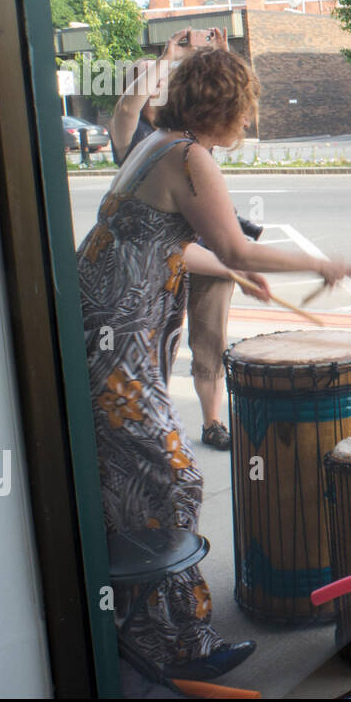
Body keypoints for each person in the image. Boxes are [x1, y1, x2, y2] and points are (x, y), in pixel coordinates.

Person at [79, 45, 351, 683]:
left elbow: (161, 241)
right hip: (116, 345)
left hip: (106, 333)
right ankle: (177, 643)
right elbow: (231, 243)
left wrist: (230, 270)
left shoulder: (155, 146)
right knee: (174, 480)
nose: (248, 121)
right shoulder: (189, 156)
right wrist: (317, 263)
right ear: (225, 105)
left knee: (129, 485)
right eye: (246, 108)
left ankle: (147, 628)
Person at [109, 27, 241, 450]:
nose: (162, 88)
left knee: (210, 339)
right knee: (153, 342)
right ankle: (150, 423)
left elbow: (229, 112)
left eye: (167, 81)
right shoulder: (138, 141)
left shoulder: (189, 133)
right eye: (155, 83)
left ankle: (212, 421)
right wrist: (165, 58)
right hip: (160, 263)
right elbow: (127, 108)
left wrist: (223, 59)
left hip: (201, 254)